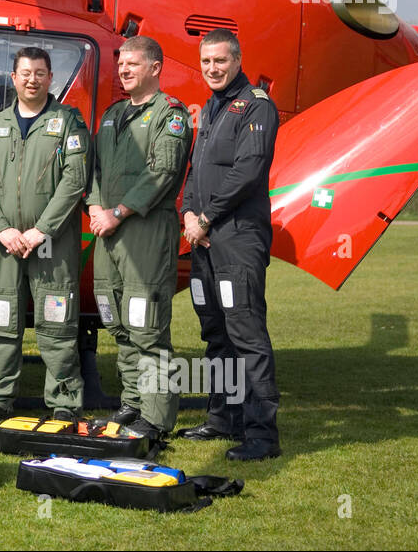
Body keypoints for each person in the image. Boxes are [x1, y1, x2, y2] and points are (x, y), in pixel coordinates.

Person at [180, 28, 282, 461]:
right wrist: (188, 212)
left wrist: (205, 218)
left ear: (237, 60)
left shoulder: (256, 106)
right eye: (206, 62)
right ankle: (223, 418)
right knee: (216, 334)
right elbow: (195, 171)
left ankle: (262, 434)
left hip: (236, 238)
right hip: (203, 241)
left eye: (220, 61)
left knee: (246, 333)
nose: (212, 69)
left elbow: (248, 171)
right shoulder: (211, 108)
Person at [0, 47, 89, 423]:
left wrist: (42, 230)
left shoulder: (68, 122)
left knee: (57, 323)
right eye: (25, 72)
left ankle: (64, 402)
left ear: (50, 77)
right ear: (13, 77)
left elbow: (74, 181)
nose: (32, 79)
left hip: (52, 244)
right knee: (1, 322)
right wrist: (1, 229)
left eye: (40, 73)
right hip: (5, 244)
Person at [86, 35, 192, 443]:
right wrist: (96, 207)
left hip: (145, 232)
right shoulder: (112, 116)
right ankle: (132, 401)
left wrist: (118, 212)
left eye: (132, 64)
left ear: (155, 68)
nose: (124, 70)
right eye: (121, 65)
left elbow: (162, 174)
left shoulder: (170, 114)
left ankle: (157, 417)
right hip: (107, 233)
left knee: (146, 325)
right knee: (116, 319)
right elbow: (92, 170)